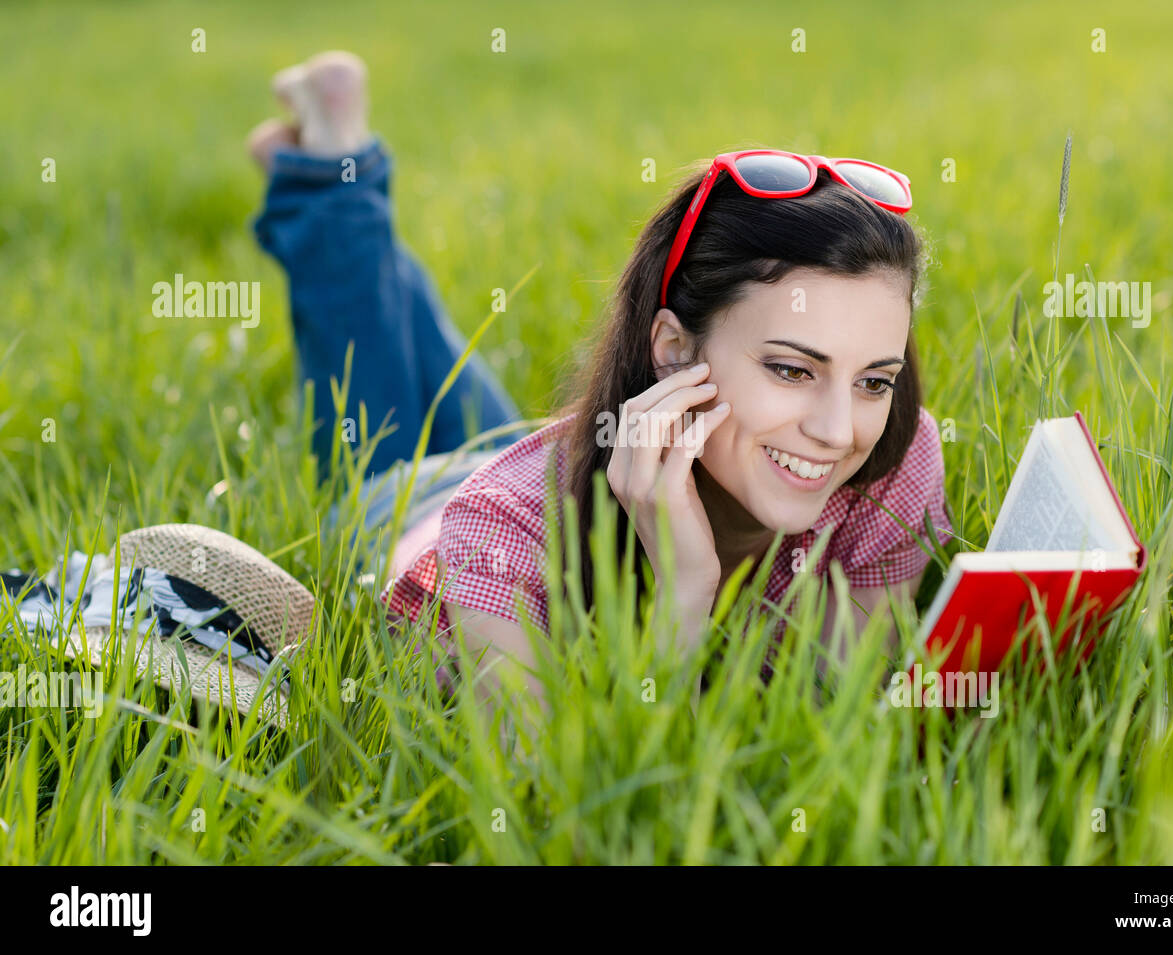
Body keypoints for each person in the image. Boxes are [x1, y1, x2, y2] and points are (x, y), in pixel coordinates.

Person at [248, 51, 956, 722]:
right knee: (362, 352)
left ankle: (330, 172)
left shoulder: (891, 463)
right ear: (675, 352)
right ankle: (331, 160)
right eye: (793, 370)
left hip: (553, 456)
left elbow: (831, 721)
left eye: (872, 379)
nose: (838, 431)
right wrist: (683, 592)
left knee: (420, 352)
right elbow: (555, 803)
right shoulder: (501, 536)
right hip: (411, 513)